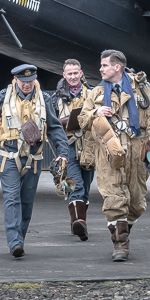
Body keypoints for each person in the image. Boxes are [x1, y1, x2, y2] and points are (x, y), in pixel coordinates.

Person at [78, 49, 150, 262]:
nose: (100, 69)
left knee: (136, 202)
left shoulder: (142, 89)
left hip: (136, 152)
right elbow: (81, 119)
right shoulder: (96, 92)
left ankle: (123, 230)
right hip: (109, 153)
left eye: (105, 65)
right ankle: (120, 244)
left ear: (117, 67)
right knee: (114, 199)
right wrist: (95, 113)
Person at [0, 64, 69, 258]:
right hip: (8, 155)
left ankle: (19, 239)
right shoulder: (4, 96)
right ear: (15, 80)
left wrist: (62, 152)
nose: (27, 85)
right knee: (12, 198)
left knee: (26, 201)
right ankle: (14, 243)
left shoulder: (44, 98)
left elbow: (54, 128)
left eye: (30, 81)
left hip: (34, 158)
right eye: (23, 81)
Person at [51, 59, 94, 241]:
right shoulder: (55, 98)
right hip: (67, 146)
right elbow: (51, 124)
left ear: (81, 73)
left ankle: (77, 223)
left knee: (86, 184)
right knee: (74, 183)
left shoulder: (93, 94)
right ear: (64, 75)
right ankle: (79, 222)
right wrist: (66, 121)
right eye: (70, 73)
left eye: (76, 73)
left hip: (89, 146)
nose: (73, 76)